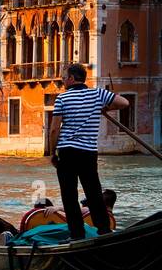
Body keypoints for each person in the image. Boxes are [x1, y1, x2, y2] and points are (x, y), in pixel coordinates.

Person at [48, 64, 129, 240]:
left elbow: (55, 129)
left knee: (69, 195)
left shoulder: (62, 98)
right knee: (93, 192)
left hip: (67, 151)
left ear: (71, 78)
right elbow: (124, 103)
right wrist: (105, 108)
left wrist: (52, 152)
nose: (62, 80)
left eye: (64, 77)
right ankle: (104, 231)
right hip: (88, 152)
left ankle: (77, 235)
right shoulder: (97, 94)